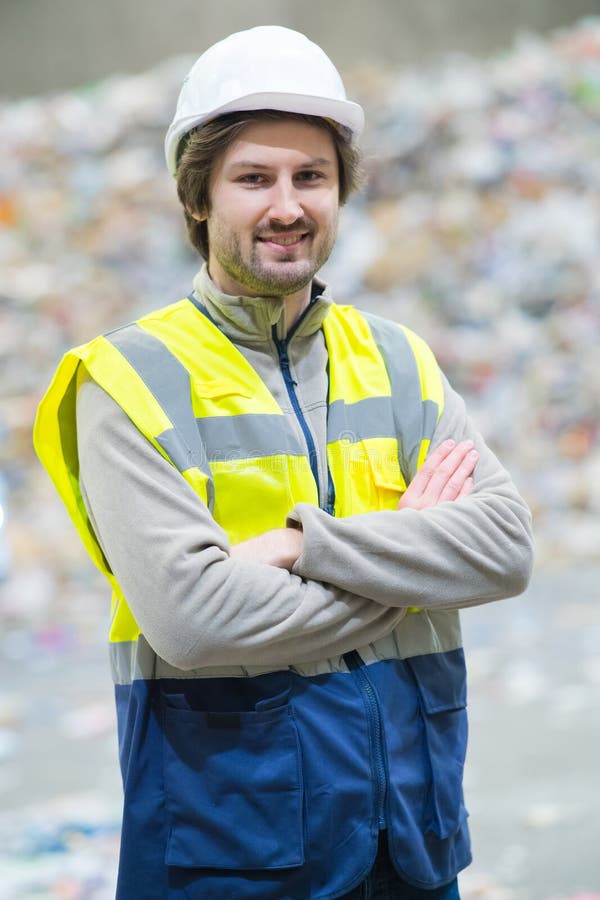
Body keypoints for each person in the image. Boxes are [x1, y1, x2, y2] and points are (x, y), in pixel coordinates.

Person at [34, 25, 533, 900]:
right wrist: (416, 549)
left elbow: (504, 550)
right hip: (229, 848)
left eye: (312, 177)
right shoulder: (125, 382)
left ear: (341, 190)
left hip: (411, 839)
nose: (288, 205)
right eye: (253, 178)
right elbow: (196, 622)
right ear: (198, 198)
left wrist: (307, 547)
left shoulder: (397, 358)